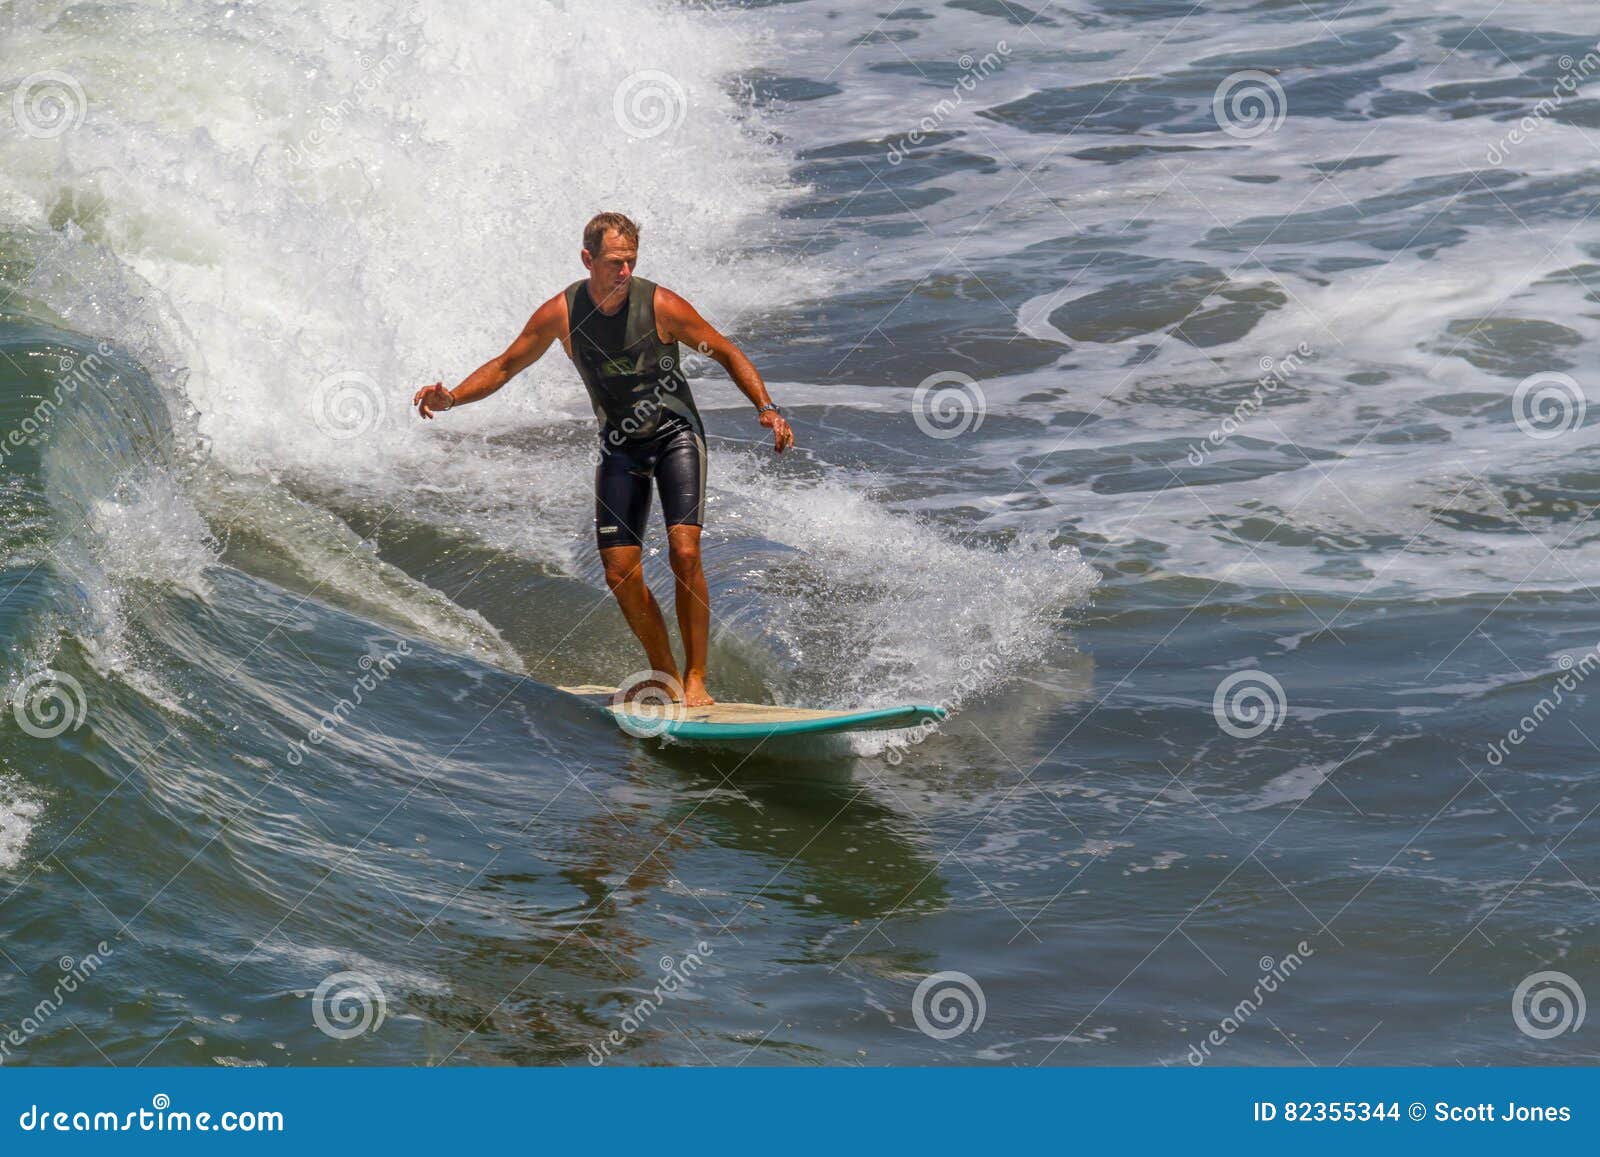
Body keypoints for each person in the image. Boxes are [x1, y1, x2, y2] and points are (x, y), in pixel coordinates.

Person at [412, 212, 794, 707]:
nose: (625, 271)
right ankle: (667, 674)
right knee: (618, 569)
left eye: (632, 261)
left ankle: (697, 678)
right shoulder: (561, 314)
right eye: (616, 262)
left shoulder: (661, 305)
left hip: (675, 435)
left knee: (684, 551)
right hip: (619, 445)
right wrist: (454, 398)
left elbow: (725, 350)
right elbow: (507, 364)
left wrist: (765, 408)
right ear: (588, 259)